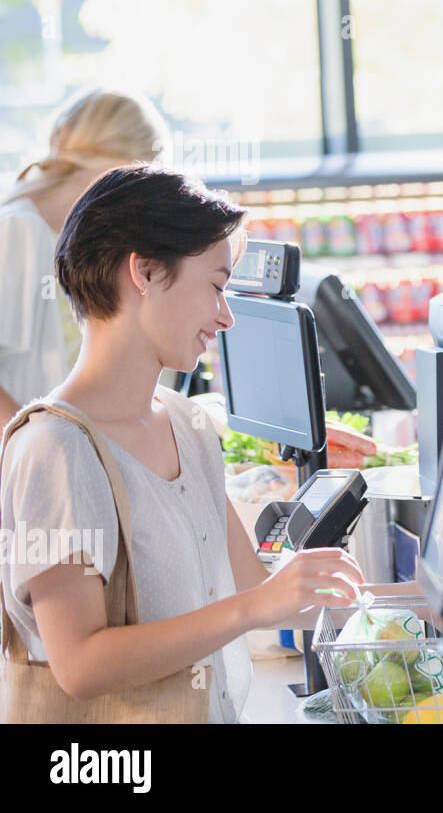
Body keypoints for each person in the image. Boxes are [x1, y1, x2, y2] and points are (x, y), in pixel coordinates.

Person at [0, 165, 371, 722]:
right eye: (217, 287)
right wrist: (252, 608)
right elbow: (79, 665)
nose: (225, 317)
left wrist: (431, 600)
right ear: (145, 271)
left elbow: (258, 591)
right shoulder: (57, 449)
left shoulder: (189, 427)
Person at [0, 88, 169, 426]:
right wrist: (28, 443)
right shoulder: (18, 230)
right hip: (28, 457)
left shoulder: (76, 237)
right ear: (120, 167)